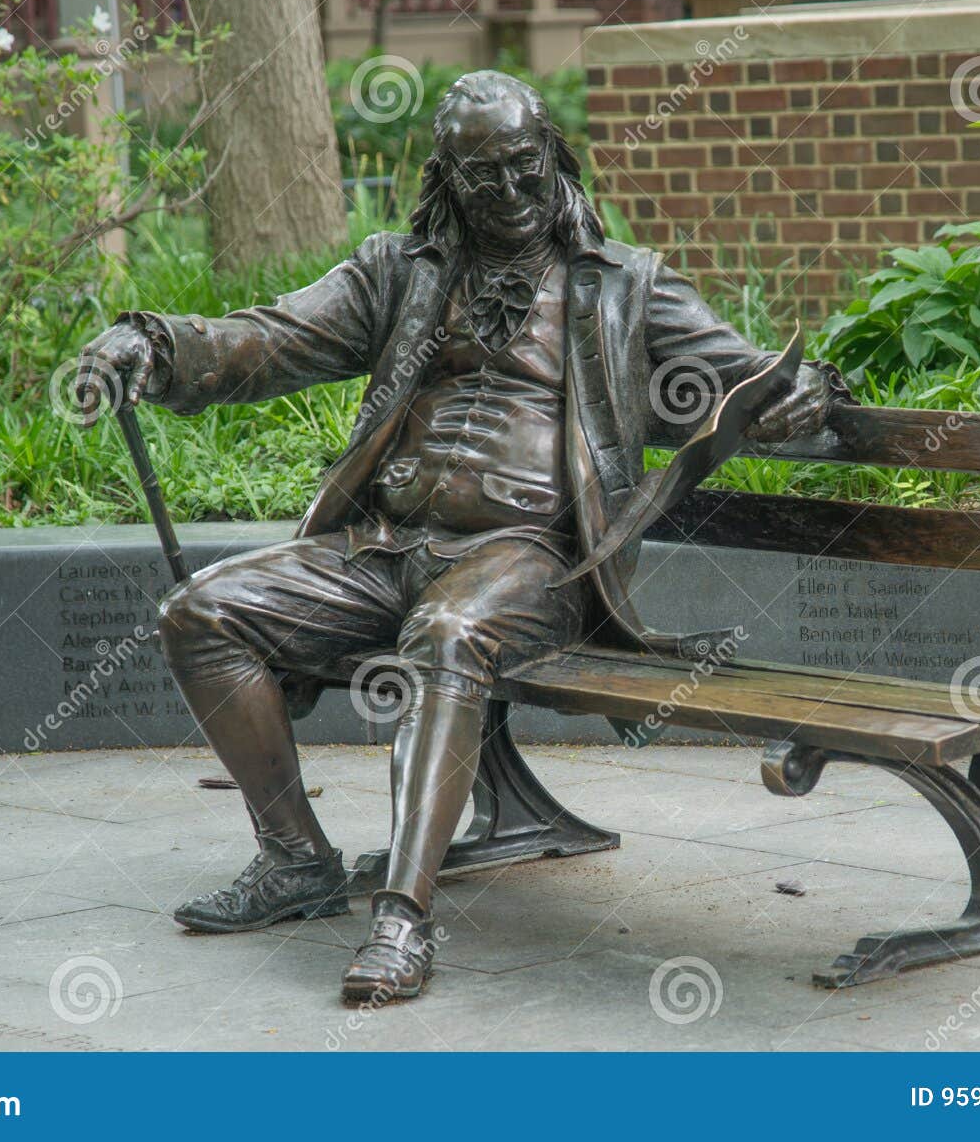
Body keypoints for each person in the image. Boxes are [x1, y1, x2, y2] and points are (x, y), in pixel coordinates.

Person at [79, 70, 838, 1003]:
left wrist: (807, 391)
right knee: (202, 611)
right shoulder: (401, 272)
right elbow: (268, 337)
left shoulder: (622, 284)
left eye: (526, 167)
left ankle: (401, 917)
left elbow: (752, 378)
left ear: (555, 160)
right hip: (390, 547)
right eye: (485, 178)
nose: (512, 193)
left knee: (446, 633)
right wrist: (154, 346)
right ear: (448, 178)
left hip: (539, 561)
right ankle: (295, 858)